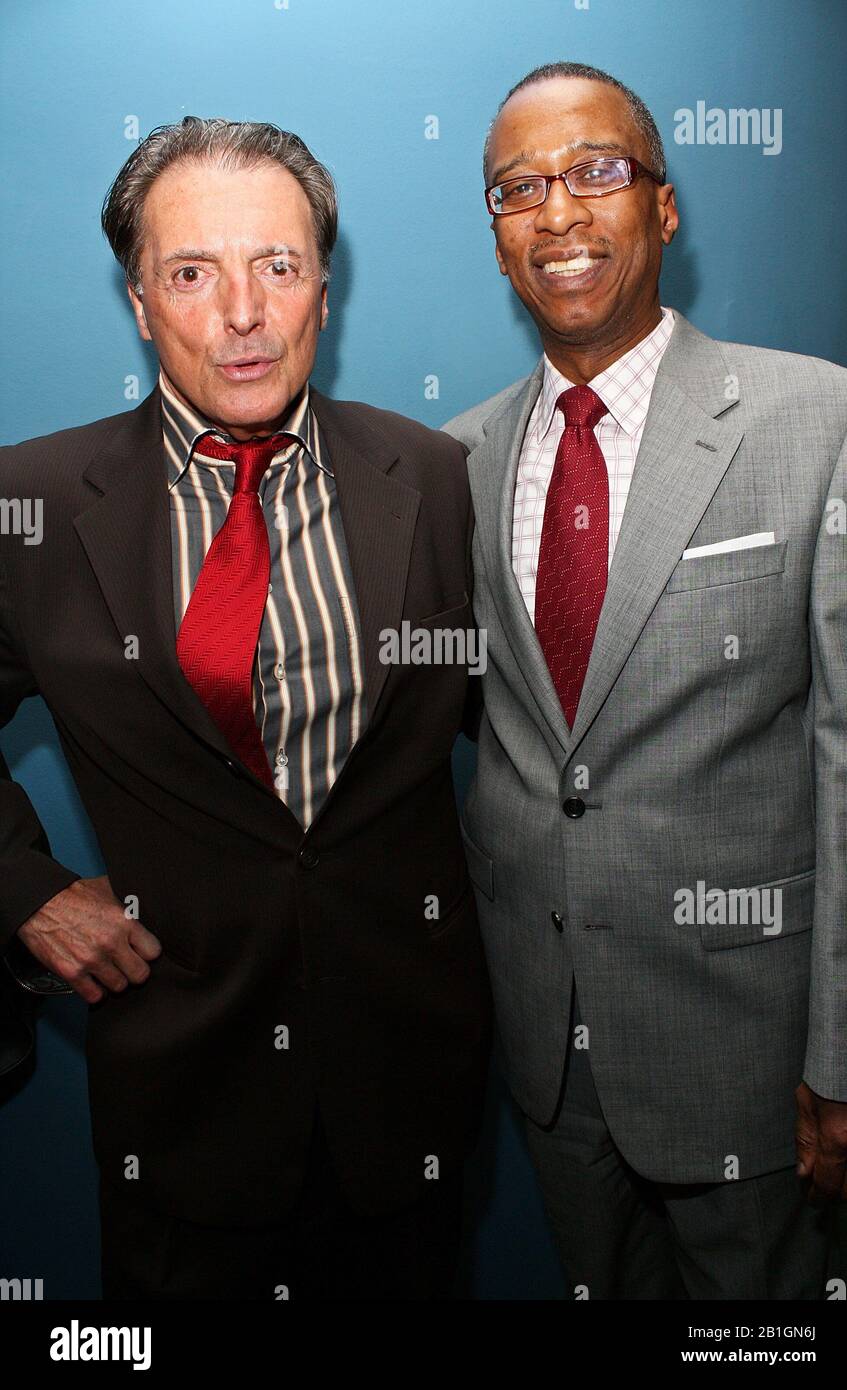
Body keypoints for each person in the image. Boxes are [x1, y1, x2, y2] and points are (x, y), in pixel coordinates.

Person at [0, 117, 492, 1300]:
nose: (242, 312)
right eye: (191, 273)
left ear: (325, 285)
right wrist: (25, 889)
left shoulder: (432, 475)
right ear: (138, 304)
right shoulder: (34, 503)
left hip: (409, 1090)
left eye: (277, 265)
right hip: (179, 1102)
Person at [443, 62, 847, 1299]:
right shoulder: (457, 458)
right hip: (548, 1049)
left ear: (663, 209)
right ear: (496, 232)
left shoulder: (822, 419)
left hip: (753, 1051)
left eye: (596, 172)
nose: (558, 213)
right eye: (518, 188)